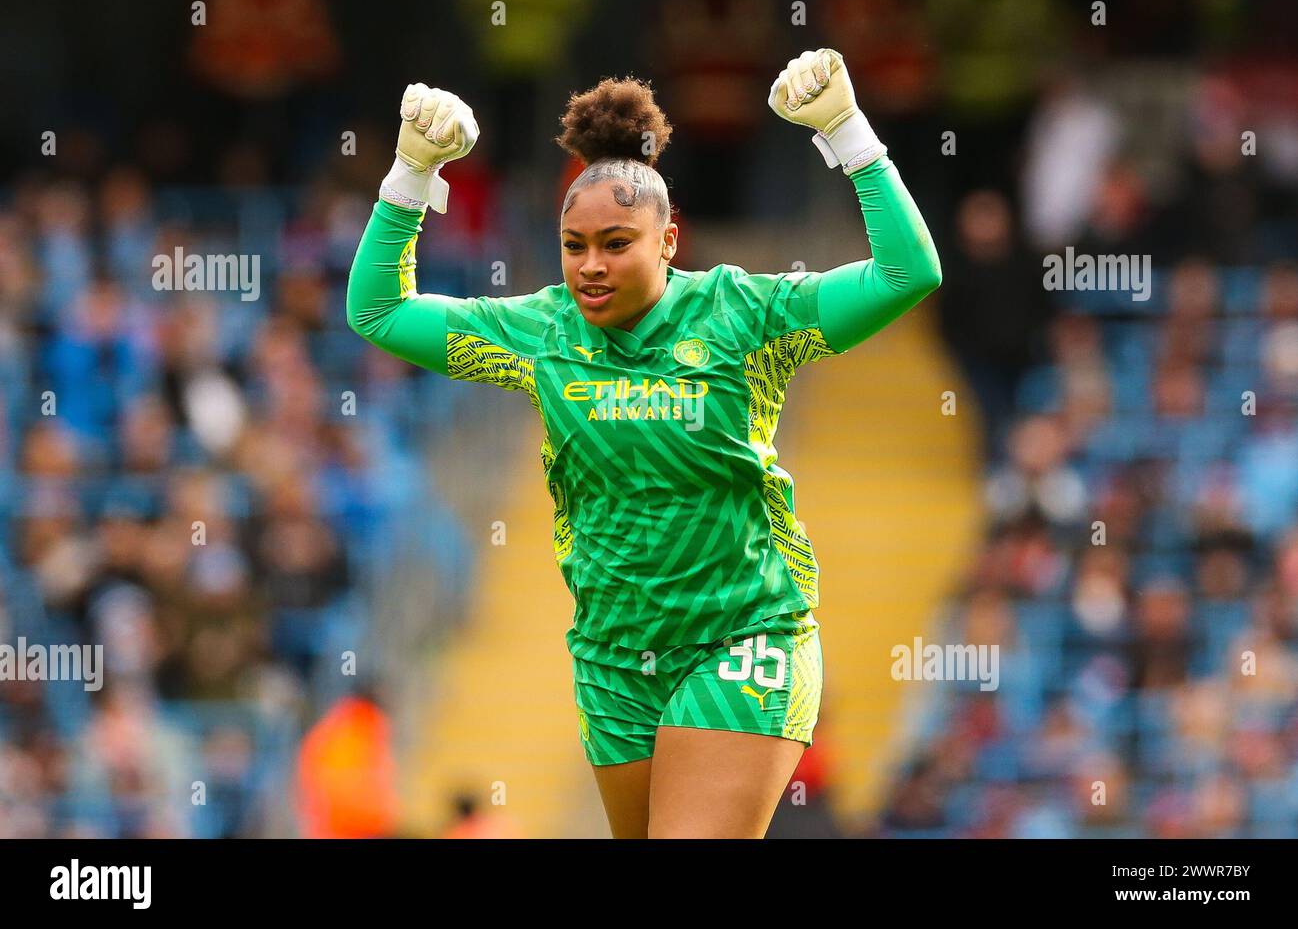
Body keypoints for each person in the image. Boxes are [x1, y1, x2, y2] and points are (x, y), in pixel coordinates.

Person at [347, 49, 941, 838]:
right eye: (574, 245)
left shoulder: (744, 314)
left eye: (616, 242)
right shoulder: (538, 332)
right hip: (614, 658)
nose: (591, 266)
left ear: (667, 240)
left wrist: (846, 130)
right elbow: (379, 313)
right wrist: (410, 175)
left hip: (744, 635)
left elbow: (908, 272)